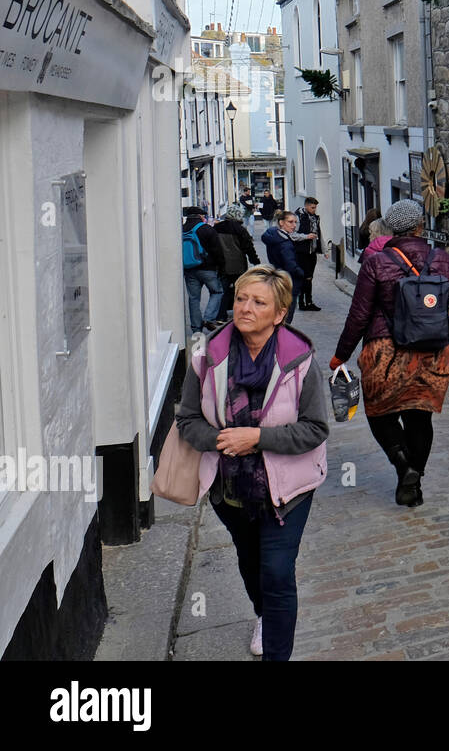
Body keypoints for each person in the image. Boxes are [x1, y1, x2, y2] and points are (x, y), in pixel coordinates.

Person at [174, 265, 328, 661]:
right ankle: (262, 613)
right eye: (241, 298)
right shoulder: (207, 355)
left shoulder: (300, 359)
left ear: (278, 314)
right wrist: (224, 441)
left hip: (288, 489)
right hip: (230, 488)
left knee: (277, 572)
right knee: (249, 560)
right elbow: (188, 419)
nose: (245, 307)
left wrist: (257, 438)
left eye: (258, 302)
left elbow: (314, 429)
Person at [330, 199, 449, 507]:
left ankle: (403, 466)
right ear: (420, 226)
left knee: (380, 414)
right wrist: (443, 323)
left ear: (392, 229)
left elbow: (359, 314)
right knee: (420, 416)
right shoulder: (444, 260)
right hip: (434, 352)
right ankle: (414, 475)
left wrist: (341, 354)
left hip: (385, 352)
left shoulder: (376, 263)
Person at [213, 205, 261, 316]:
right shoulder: (240, 230)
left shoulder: (217, 228)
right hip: (238, 265)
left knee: (223, 290)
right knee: (240, 289)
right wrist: (255, 261)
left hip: (221, 264)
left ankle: (221, 314)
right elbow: (248, 248)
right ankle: (239, 313)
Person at [183, 206, 224, 333]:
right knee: (217, 292)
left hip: (189, 268)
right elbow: (217, 250)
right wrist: (221, 266)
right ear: (200, 216)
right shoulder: (206, 229)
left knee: (194, 298)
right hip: (208, 268)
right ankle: (209, 318)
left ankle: (196, 327)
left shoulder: (182, 229)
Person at [262, 211, 306, 324]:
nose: (294, 225)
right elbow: (291, 265)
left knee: (278, 312)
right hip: (289, 281)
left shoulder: (273, 234)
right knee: (286, 316)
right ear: (281, 222)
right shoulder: (285, 243)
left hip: (278, 276)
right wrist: (301, 273)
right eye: (290, 222)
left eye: (295, 222)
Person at [293, 198, 323, 312]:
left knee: (309, 278)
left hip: (312, 251)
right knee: (303, 277)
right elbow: (292, 234)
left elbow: (319, 233)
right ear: (306, 206)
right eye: (312, 207)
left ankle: (308, 301)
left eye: (315, 207)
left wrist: (323, 250)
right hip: (301, 252)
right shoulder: (298, 217)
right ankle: (302, 302)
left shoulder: (315, 217)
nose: (314, 210)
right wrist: (306, 236)